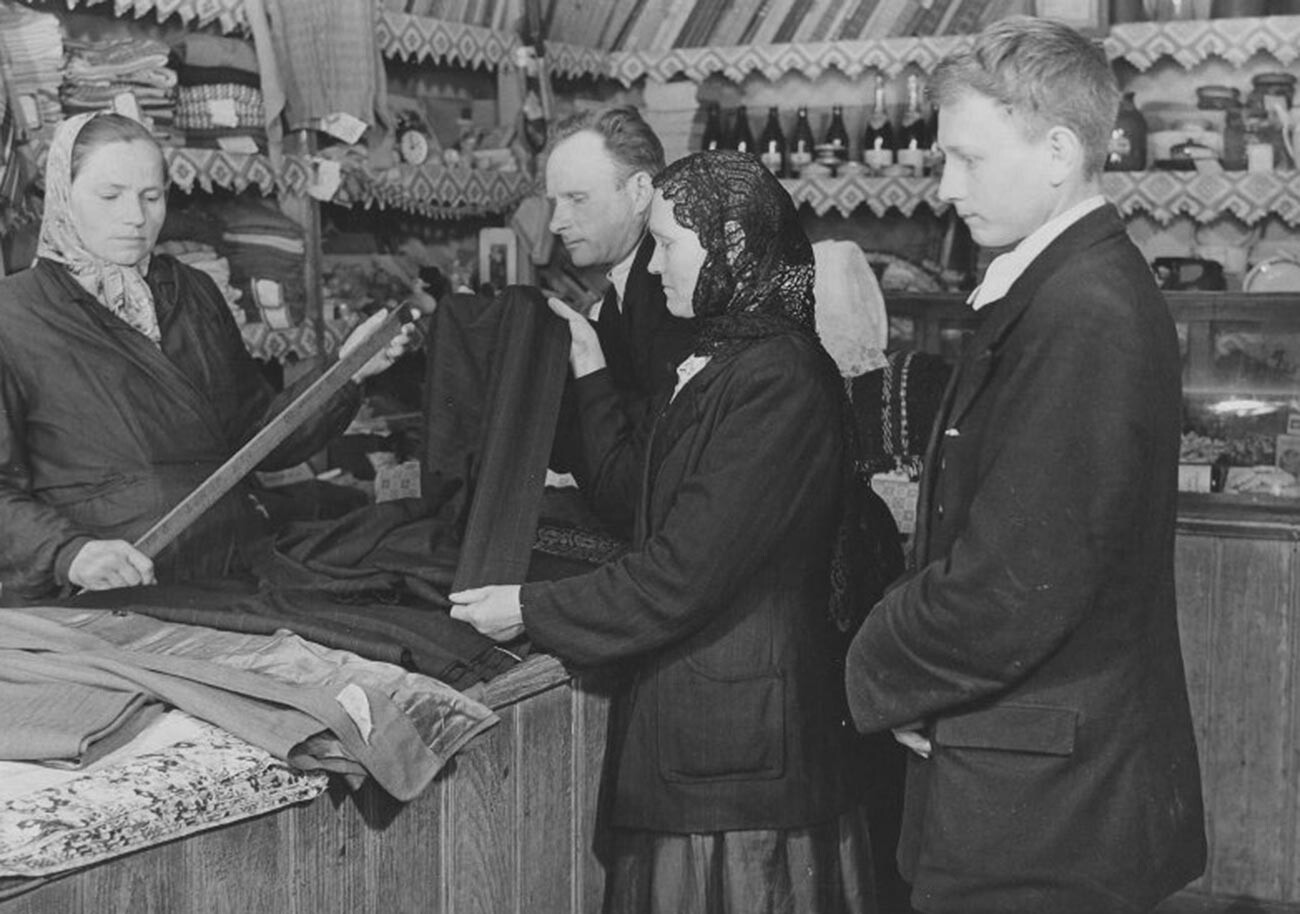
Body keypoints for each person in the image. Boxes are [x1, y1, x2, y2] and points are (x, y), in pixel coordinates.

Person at [842, 17, 1206, 914]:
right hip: (1033, 770)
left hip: (1045, 800)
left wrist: (874, 656)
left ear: (1055, 151)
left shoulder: (1084, 311)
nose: (944, 187)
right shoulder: (1063, 285)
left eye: (966, 158)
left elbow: (1017, 580)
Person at [452, 150, 874, 914]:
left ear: (735, 248)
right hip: (707, 742)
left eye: (671, 245)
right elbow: (626, 497)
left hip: (746, 766)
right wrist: (587, 365)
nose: (653, 270)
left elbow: (681, 573)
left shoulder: (780, 380)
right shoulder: (715, 358)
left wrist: (530, 609)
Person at [0, 112, 411, 604]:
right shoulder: (13, 315)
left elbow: (256, 437)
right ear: (63, 196)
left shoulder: (190, 290)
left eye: (152, 197)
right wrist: (70, 552)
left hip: (231, 559)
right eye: (110, 196)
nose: (135, 216)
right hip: (114, 589)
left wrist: (347, 371)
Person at [544, 105, 695, 532]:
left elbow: (634, 492)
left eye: (577, 198)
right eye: (555, 202)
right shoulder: (619, 297)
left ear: (639, 192)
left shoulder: (675, 298)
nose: (556, 222)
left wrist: (588, 355)